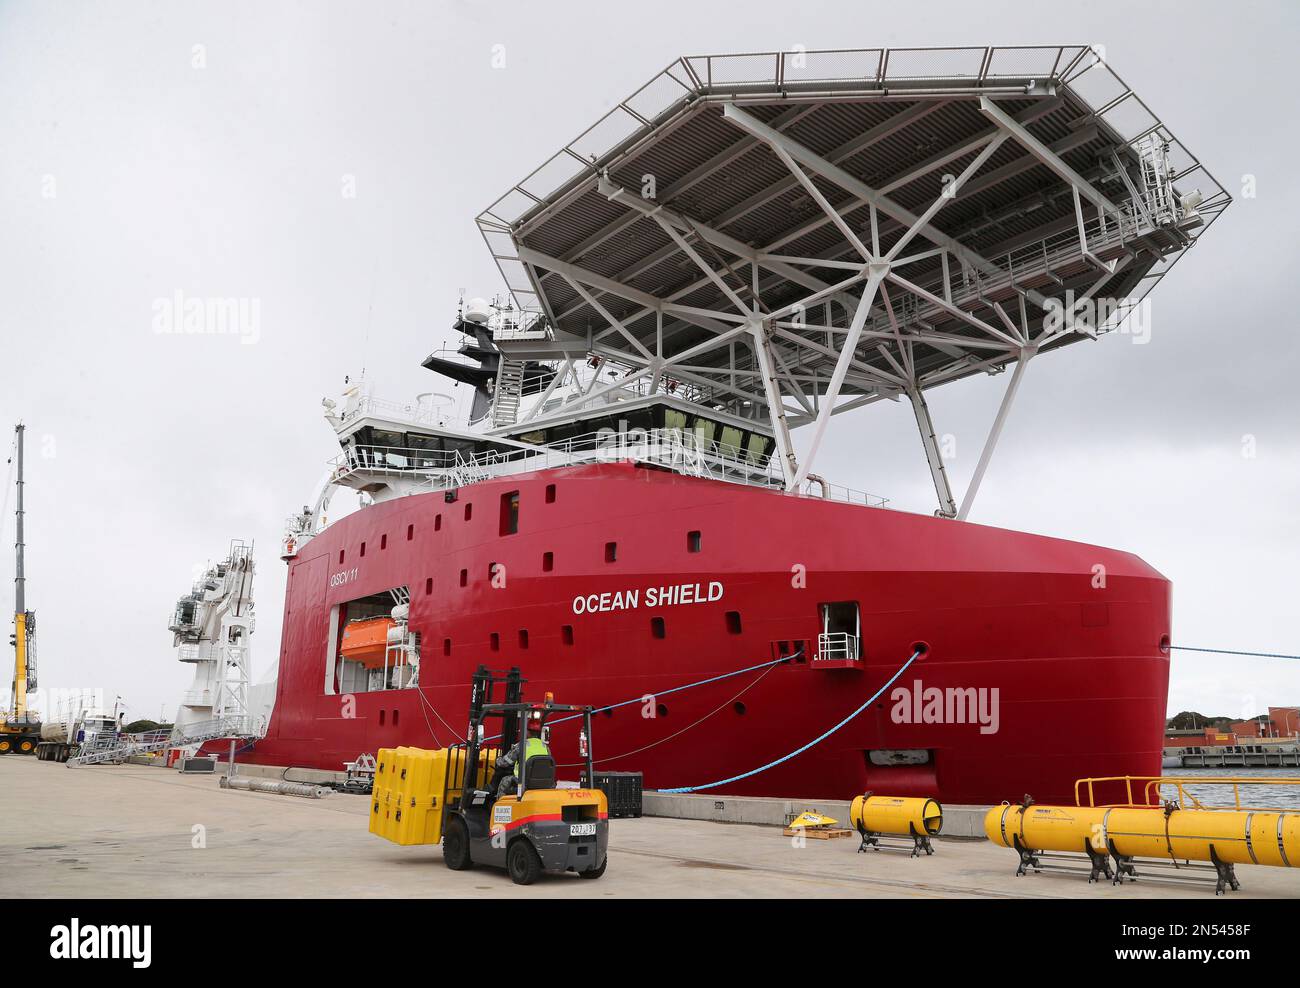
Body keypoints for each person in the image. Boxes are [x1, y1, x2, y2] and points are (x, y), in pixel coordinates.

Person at [495, 717, 549, 798]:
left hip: (524, 781)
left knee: (504, 781)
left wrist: (498, 759)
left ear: (527, 731)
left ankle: (498, 807)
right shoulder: (545, 746)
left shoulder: (521, 745)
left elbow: (505, 763)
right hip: (542, 781)